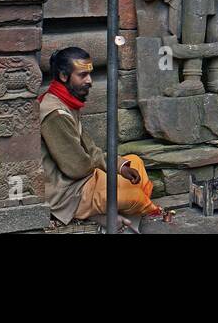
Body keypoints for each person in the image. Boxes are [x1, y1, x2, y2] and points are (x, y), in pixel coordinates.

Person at [39, 46, 166, 228]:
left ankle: (115, 213)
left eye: (90, 74)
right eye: (82, 75)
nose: (90, 81)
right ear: (63, 76)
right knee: (135, 197)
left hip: (84, 177)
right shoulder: (56, 114)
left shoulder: (67, 102)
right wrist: (104, 170)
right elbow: (77, 169)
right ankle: (137, 210)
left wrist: (119, 167)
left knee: (133, 162)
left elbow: (90, 150)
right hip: (68, 193)